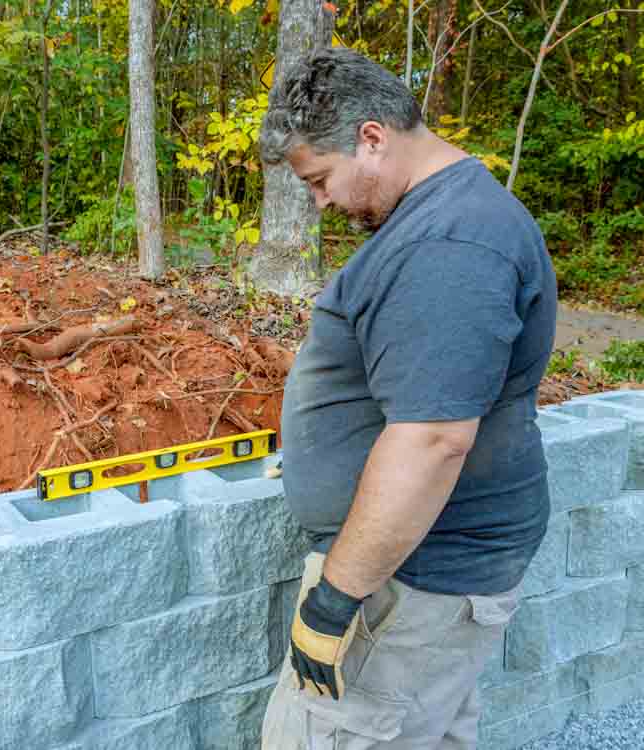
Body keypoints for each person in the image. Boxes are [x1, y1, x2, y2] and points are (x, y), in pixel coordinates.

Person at [258, 48, 558, 749]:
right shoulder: (448, 219)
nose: (323, 202)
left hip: (411, 586)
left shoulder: (449, 244)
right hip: (428, 579)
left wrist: (335, 601)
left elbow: (432, 438)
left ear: (371, 137)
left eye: (321, 180)